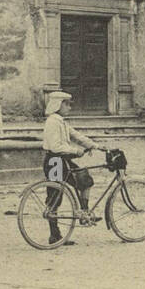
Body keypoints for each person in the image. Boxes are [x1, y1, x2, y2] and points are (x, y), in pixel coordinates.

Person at [41, 91, 102, 245]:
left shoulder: (61, 121)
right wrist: (76, 151)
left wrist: (95, 146)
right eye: (66, 104)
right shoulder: (52, 122)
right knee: (55, 197)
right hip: (55, 161)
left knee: (85, 180)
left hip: (62, 160)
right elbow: (56, 147)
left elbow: (76, 136)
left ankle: (84, 211)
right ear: (58, 105)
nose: (69, 107)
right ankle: (54, 235)